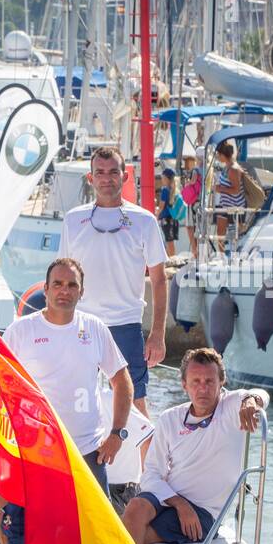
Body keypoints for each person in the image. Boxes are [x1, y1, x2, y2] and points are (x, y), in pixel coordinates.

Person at [0, 257, 134, 544]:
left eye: (71, 284)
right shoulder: (22, 331)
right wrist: (7, 442)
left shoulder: (96, 330)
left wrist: (117, 434)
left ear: (81, 290)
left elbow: (121, 381)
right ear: (47, 287)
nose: (64, 291)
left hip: (85, 453)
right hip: (33, 455)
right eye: (58, 284)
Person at [97, 348, 268, 544]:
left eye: (210, 381)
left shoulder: (231, 408)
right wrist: (177, 503)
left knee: (138, 537)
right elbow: (151, 472)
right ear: (184, 385)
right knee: (135, 509)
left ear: (221, 382)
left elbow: (261, 395)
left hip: (203, 511)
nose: (203, 389)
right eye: (196, 382)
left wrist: (251, 401)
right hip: (171, 497)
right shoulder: (170, 418)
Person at [58, 146, 168, 418]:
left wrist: (157, 334)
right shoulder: (73, 220)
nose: (107, 178)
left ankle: (146, 462)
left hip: (126, 325)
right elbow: (61, 278)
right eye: (100, 173)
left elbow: (159, 280)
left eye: (113, 172)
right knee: (75, 401)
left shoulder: (144, 221)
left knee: (135, 403)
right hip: (81, 325)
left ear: (125, 176)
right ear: (90, 178)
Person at [213, 140, 247, 243]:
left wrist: (220, 189)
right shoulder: (226, 167)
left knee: (233, 239)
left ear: (223, 155)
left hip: (235, 208)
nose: (217, 157)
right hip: (225, 205)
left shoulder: (233, 169)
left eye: (218, 155)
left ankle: (229, 257)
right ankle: (221, 257)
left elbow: (236, 190)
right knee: (220, 235)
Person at [156, 167, 180, 257]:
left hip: (166, 219)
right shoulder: (175, 190)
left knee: (168, 241)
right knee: (171, 242)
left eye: (162, 178)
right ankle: (173, 258)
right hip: (173, 219)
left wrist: (157, 215)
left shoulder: (165, 190)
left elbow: (162, 206)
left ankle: (172, 260)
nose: (161, 180)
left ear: (166, 178)